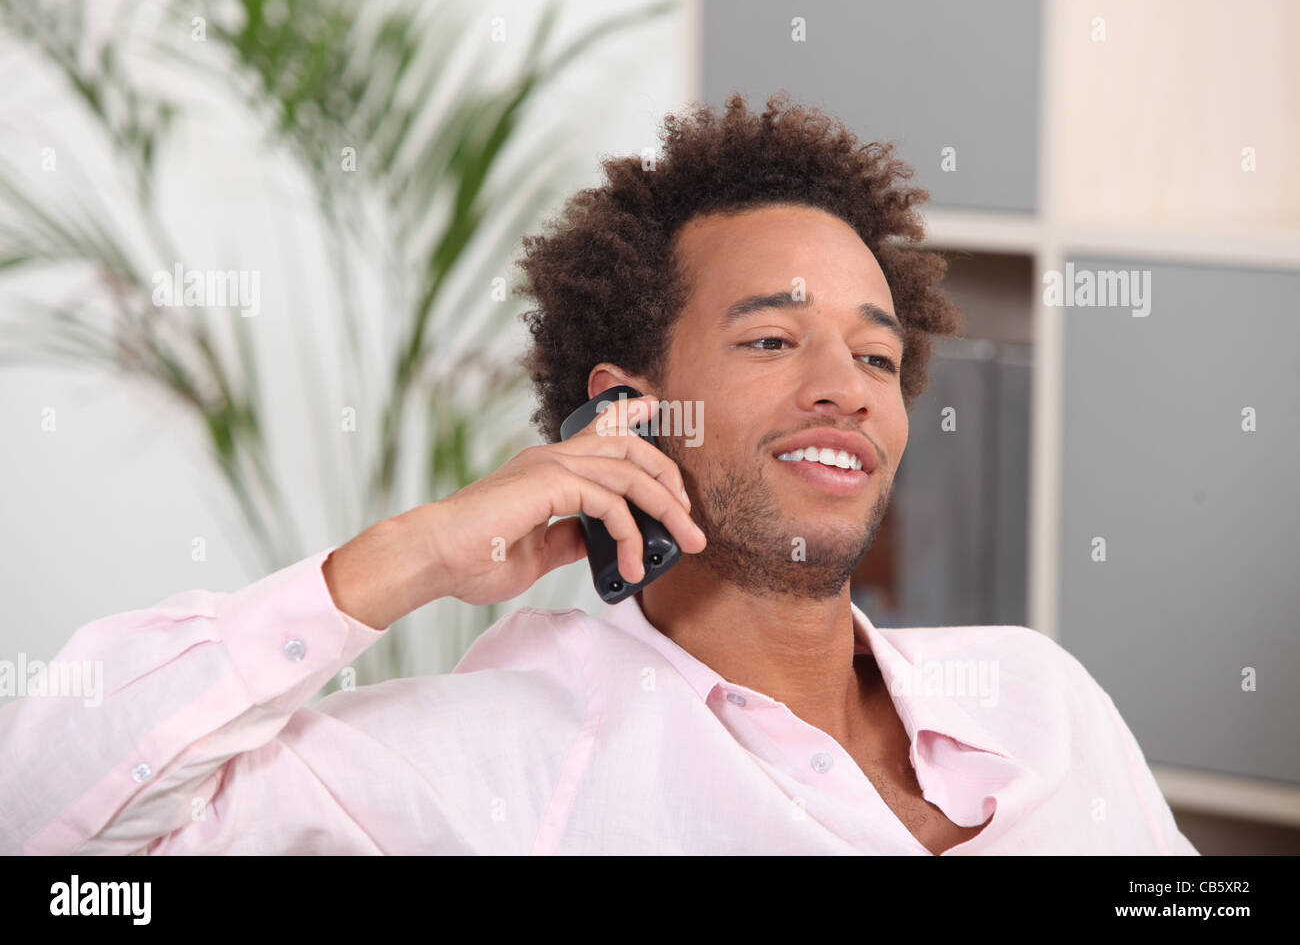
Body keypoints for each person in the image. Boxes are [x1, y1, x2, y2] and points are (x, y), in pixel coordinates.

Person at [0, 92, 1197, 855]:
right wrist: (411, 551)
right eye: (772, 339)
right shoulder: (496, 762)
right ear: (627, 410)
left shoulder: (1038, 700)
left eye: (877, 352)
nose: (848, 385)